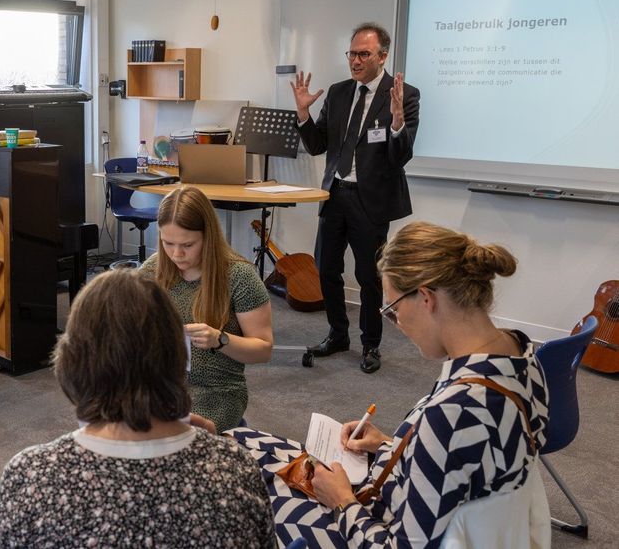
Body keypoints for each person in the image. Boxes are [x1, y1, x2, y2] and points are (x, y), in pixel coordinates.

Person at [231, 221, 549, 548]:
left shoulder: (451, 415)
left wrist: (341, 501)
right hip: (436, 505)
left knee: (243, 490)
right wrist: (389, 445)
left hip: (374, 522)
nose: (396, 324)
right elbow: (463, 464)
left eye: (393, 310)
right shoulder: (521, 357)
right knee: (239, 441)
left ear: (426, 298)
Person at [0, 269, 275, 548]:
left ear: (72, 360)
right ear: (178, 355)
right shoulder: (236, 471)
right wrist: (217, 450)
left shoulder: (28, 477)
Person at [290, 23, 421, 373]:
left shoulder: (404, 95)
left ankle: (371, 344)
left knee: (368, 276)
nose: (356, 60)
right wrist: (302, 113)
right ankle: (338, 334)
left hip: (371, 200)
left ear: (383, 56)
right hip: (334, 193)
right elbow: (318, 145)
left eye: (364, 54)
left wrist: (396, 125)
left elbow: (399, 157)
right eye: (352, 53)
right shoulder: (338, 92)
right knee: (327, 269)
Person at [139, 186, 272, 432]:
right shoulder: (152, 270)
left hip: (217, 391)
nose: (176, 254)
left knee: (177, 439)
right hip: (159, 384)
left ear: (207, 237)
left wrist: (220, 339)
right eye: (168, 243)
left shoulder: (239, 276)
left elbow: (263, 349)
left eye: (188, 245)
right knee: (113, 427)